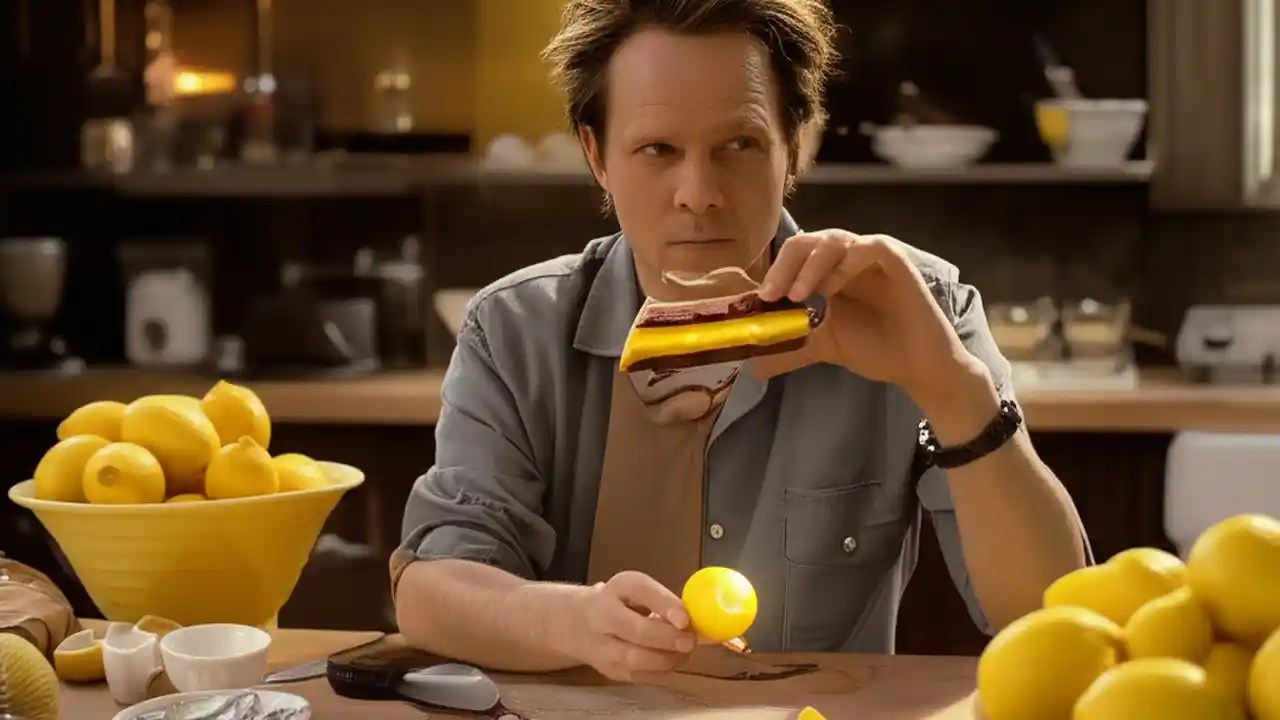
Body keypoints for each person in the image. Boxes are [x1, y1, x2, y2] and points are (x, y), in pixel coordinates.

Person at [391, 0, 1090, 683]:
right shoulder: (514, 330)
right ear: (596, 156)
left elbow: (1052, 617)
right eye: (657, 150)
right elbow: (431, 594)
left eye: (739, 145)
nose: (698, 193)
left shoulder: (915, 307)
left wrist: (949, 384)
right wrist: (575, 621)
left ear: (796, 149)